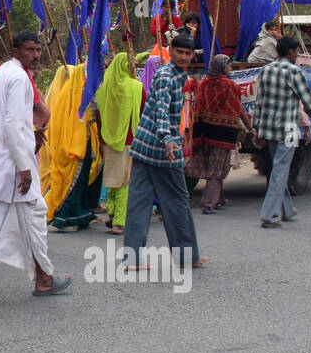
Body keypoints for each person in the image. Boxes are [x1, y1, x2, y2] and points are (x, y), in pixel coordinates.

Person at [0, 31, 71, 301]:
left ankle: (40, 278)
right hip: (12, 165)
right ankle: (40, 280)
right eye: (29, 50)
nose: (35, 55)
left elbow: (13, 121)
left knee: (3, 219)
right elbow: (11, 125)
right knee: (25, 217)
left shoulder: (6, 72)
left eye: (37, 50)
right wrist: (24, 166)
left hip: (4, 161)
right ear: (16, 50)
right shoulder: (18, 77)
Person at [121, 32, 205, 270]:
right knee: (178, 202)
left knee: (139, 204)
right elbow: (161, 111)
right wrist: (168, 139)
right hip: (162, 148)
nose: (183, 57)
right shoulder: (167, 76)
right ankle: (188, 257)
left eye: (188, 54)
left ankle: (132, 259)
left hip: (143, 147)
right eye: (179, 52)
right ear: (171, 50)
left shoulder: (177, 75)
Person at [251, 35, 311, 229]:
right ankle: (269, 215)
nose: (297, 55)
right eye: (297, 52)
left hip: (268, 128)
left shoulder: (265, 70)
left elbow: (259, 102)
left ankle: (286, 209)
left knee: (278, 170)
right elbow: (306, 99)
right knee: (280, 171)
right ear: (291, 52)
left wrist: (256, 127)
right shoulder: (294, 71)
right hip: (289, 129)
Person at [185, 55, 252, 214]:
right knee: (217, 167)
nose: (230, 69)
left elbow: (199, 106)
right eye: (228, 66)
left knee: (214, 164)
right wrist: (249, 127)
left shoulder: (203, 84)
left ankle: (219, 198)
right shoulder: (230, 86)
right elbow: (239, 109)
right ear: (222, 67)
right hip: (223, 131)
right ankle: (208, 203)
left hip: (203, 129)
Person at [44, 63, 103, 231]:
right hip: (74, 147)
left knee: (82, 182)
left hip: (86, 145)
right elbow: (67, 123)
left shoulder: (87, 95)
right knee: (73, 184)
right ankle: (65, 217)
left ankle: (80, 215)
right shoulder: (69, 95)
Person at [93, 52, 145, 235]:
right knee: (125, 181)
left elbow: (97, 114)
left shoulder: (103, 87)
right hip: (130, 140)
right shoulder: (136, 87)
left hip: (108, 139)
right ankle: (119, 222)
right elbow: (144, 112)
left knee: (114, 179)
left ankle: (113, 213)